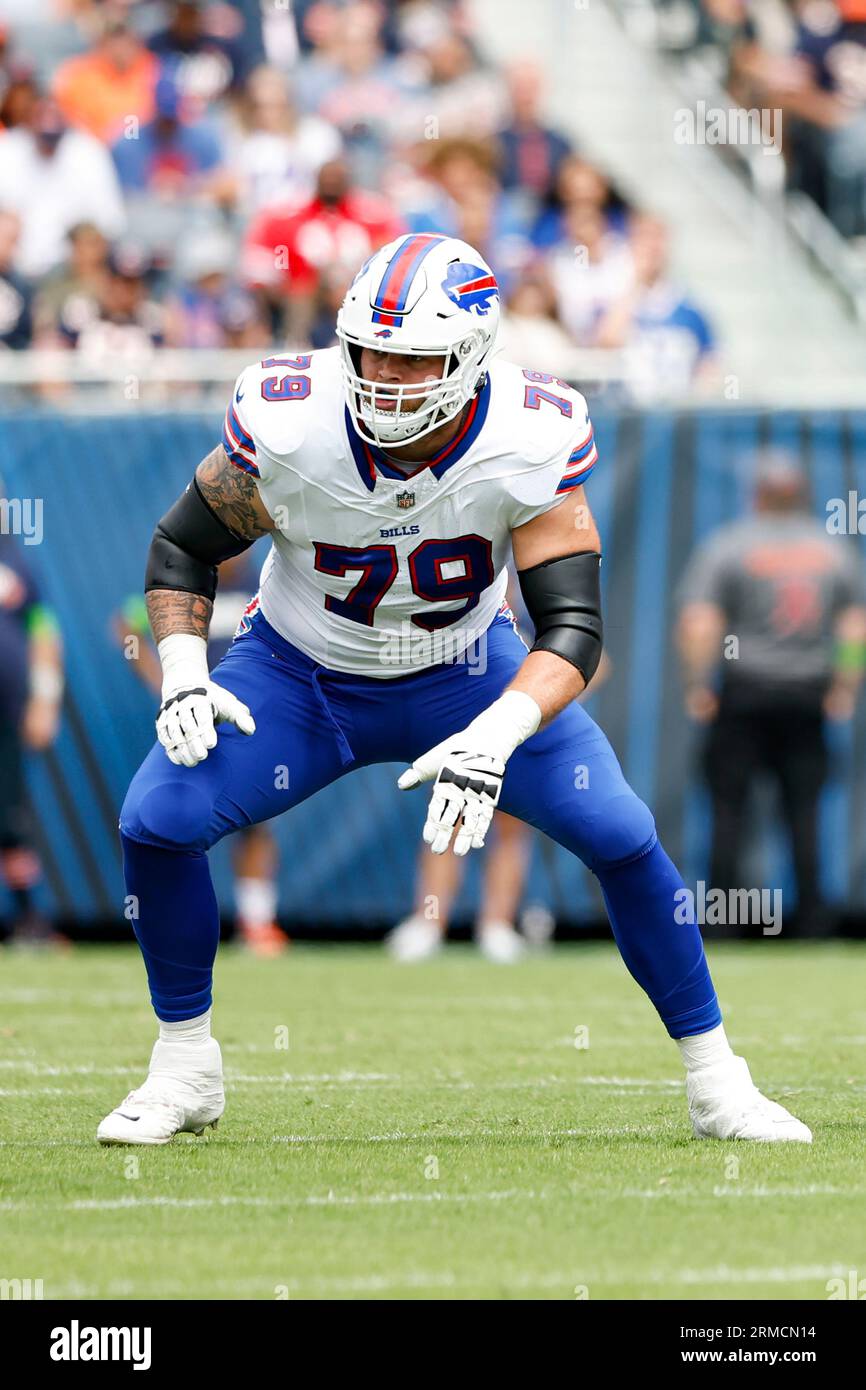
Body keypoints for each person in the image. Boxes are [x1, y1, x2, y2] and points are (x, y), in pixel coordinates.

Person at [99, 232, 811, 1146]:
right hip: (297, 669)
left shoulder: (531, 429)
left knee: (624, 836)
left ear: (472, 356)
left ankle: (719, 1080)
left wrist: (502, 728)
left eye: (414, 357)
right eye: (371, 351)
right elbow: (182, 548)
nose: (387, 377)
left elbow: (574, 629)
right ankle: (185, 1064)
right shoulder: (289, 416)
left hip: (469, 674)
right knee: (156, 818)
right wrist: (186, 670)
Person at [676, 452, 866, 936]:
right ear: (800, 494)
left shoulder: (730, 546)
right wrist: (843, 688)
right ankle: (814, 925)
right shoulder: (833, 551)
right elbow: (854, 629)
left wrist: (699, 686)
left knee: (728, 811)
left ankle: (722, 924)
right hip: (807, 696)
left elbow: (701, 622)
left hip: (745, 694)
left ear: (756, 494)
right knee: (803, 813)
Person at [112, 553, 285, 958]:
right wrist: (166, 684)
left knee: (256, 824)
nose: (238, 551)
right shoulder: (188, 582)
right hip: (192, 725)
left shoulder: (266, 583)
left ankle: (257, 924)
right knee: (173, 819)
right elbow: (126, 623)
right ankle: (169, 929)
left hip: (245, 723)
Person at [0, 502, 64, 945]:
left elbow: (44, 631)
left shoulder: (16, 559)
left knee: (11, 815)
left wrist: (44, 698)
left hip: (8, 713)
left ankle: (28, 922)